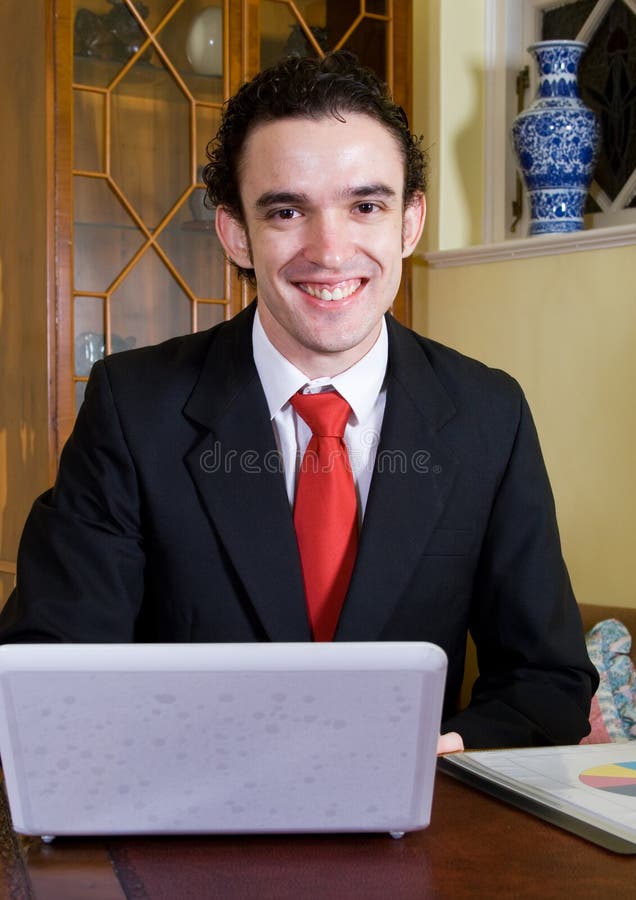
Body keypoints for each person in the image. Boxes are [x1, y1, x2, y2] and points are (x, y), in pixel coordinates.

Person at [0, 52, 597, 751]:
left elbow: (546, 680)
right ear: (235, 233)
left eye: (365, 206)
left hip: (416, 807)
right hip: (193, 806)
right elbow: (51, 666)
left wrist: (446, 753)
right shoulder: (133, 408)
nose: (331, 251)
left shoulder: (490, 415)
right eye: (287, 211)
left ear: (409, 222)